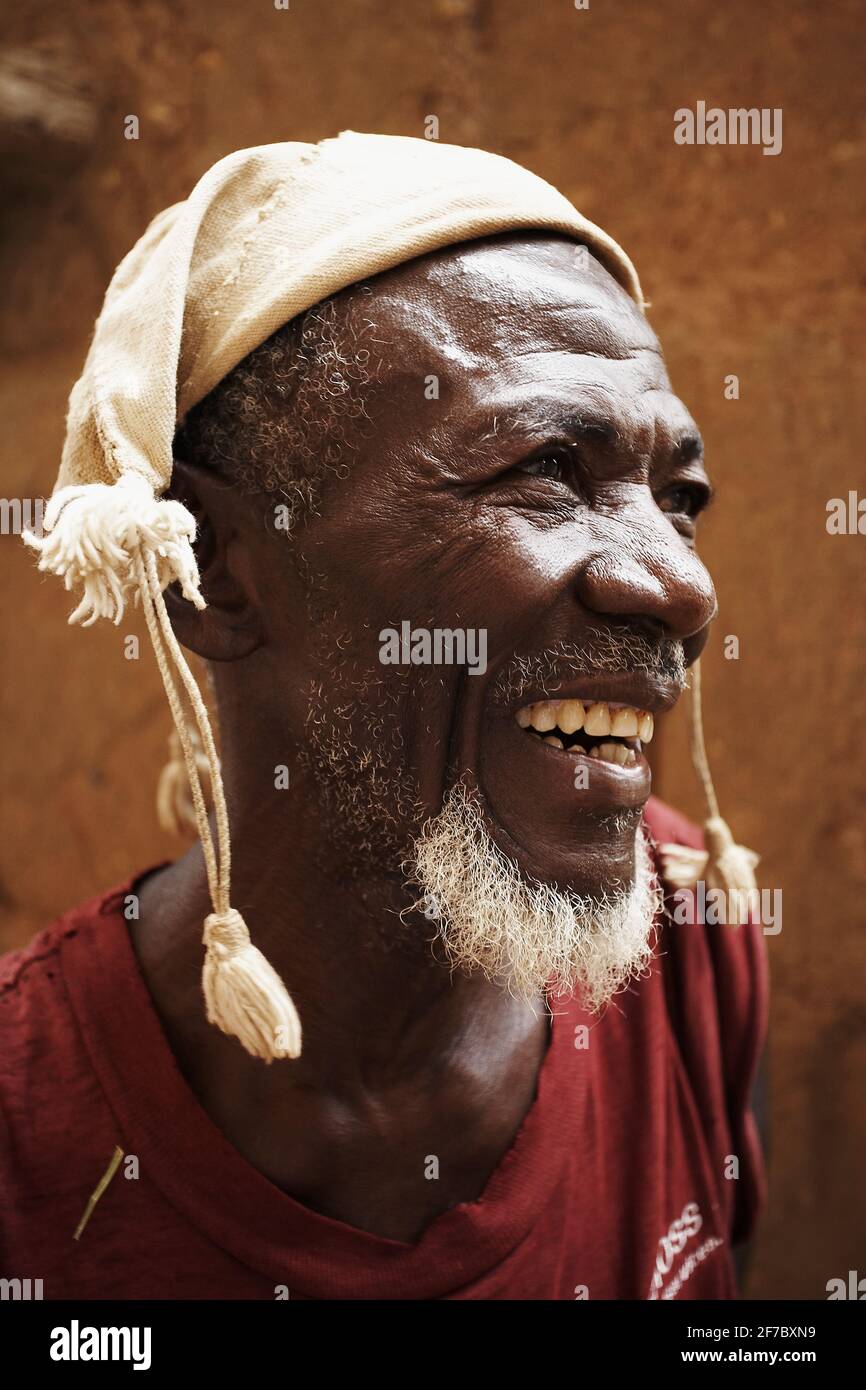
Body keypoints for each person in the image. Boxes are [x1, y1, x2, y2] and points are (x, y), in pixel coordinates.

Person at [1, 133, 766, 1300]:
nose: (678, 586)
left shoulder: (693, 935)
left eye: (678, 499)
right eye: (546, 469)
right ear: (211, 569)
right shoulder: (27, 1134)